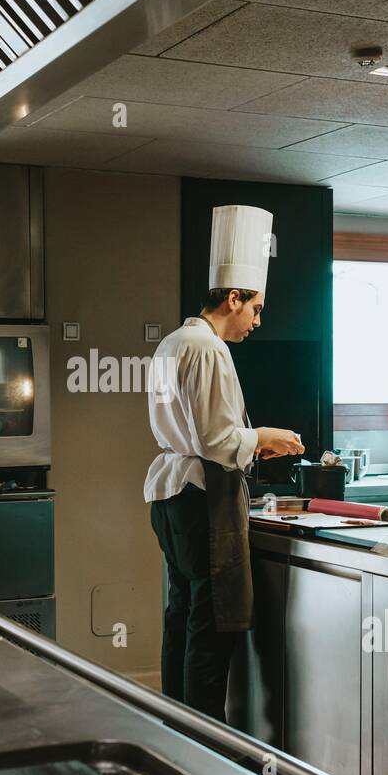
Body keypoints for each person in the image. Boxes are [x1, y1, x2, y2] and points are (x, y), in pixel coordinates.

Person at [144, 204, 305, 721]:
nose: (257, 322)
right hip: (202, 496)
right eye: (255, 309)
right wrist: (264, 438)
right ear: (232, 298)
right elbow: (216, 440)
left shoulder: (172, 343)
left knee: (181, 617)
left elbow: (190, 429)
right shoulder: (209, 349)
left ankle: (177, 728)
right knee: (210, 627)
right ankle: (207, 745)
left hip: (169, 496)